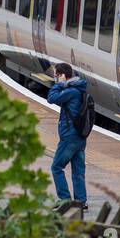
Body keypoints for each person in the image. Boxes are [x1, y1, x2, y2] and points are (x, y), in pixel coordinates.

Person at [46, 63, 88, 215]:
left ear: (62, 75)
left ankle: (65, 200)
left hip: (69, 136)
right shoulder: (79, 88)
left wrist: (59, 84)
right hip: (79, 136)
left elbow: (51, 98)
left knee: (56, 167)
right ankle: (80, 202)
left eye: (56, 75)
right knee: (78, 170)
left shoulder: (70, 91)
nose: (55, 78)